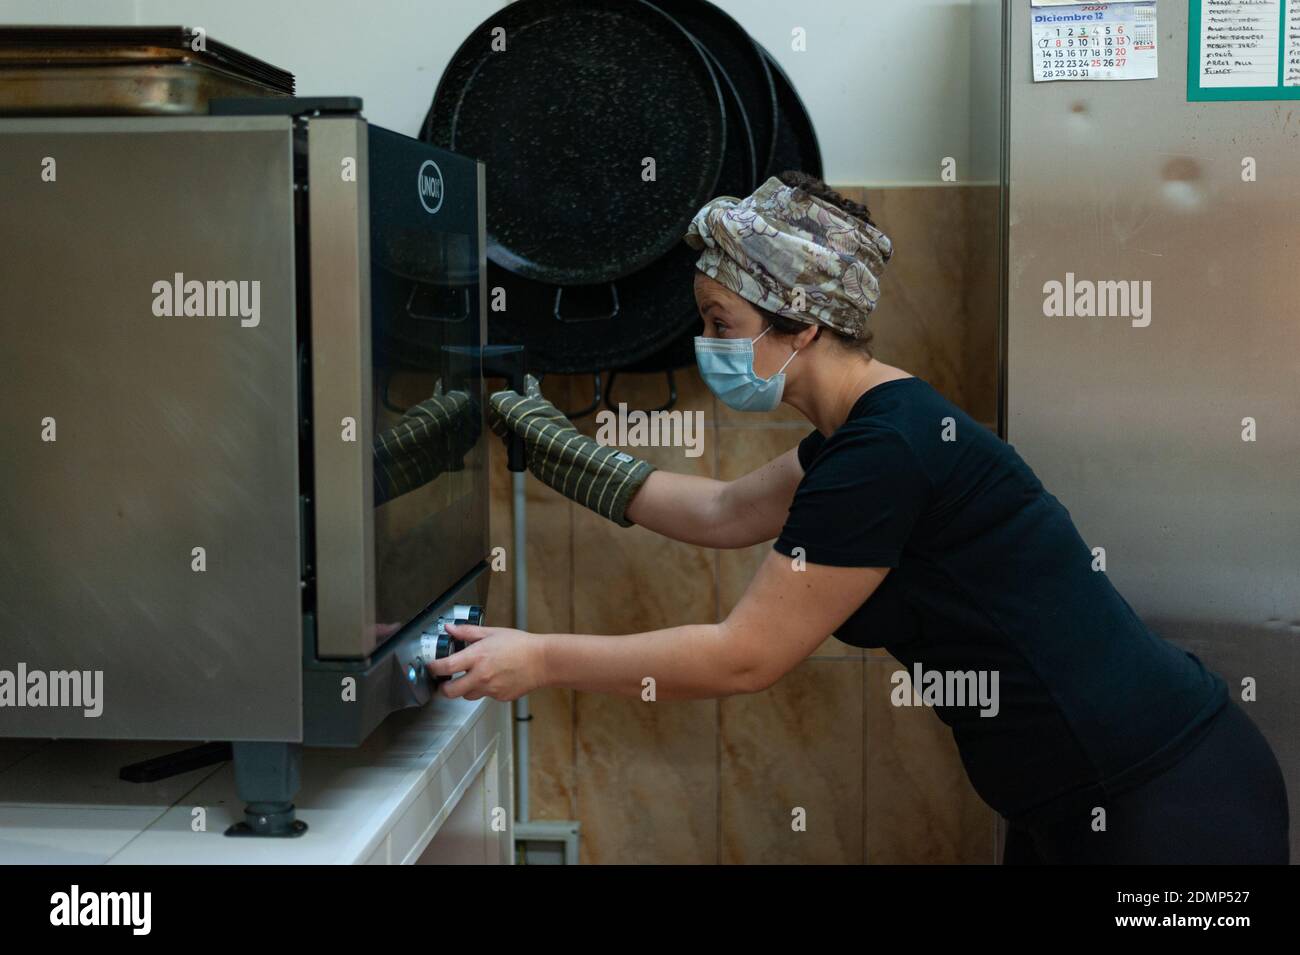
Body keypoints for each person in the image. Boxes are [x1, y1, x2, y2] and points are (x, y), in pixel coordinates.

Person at [428, 171, 1289, 864]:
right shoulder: (869, 430)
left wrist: (539, 656)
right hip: (1089, 799)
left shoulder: (888, 451)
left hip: (1166, 803)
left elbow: (744, 655)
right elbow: (724, 510)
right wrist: (545, 441)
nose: (707, 342)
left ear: (799, 325)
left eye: (720, 322)